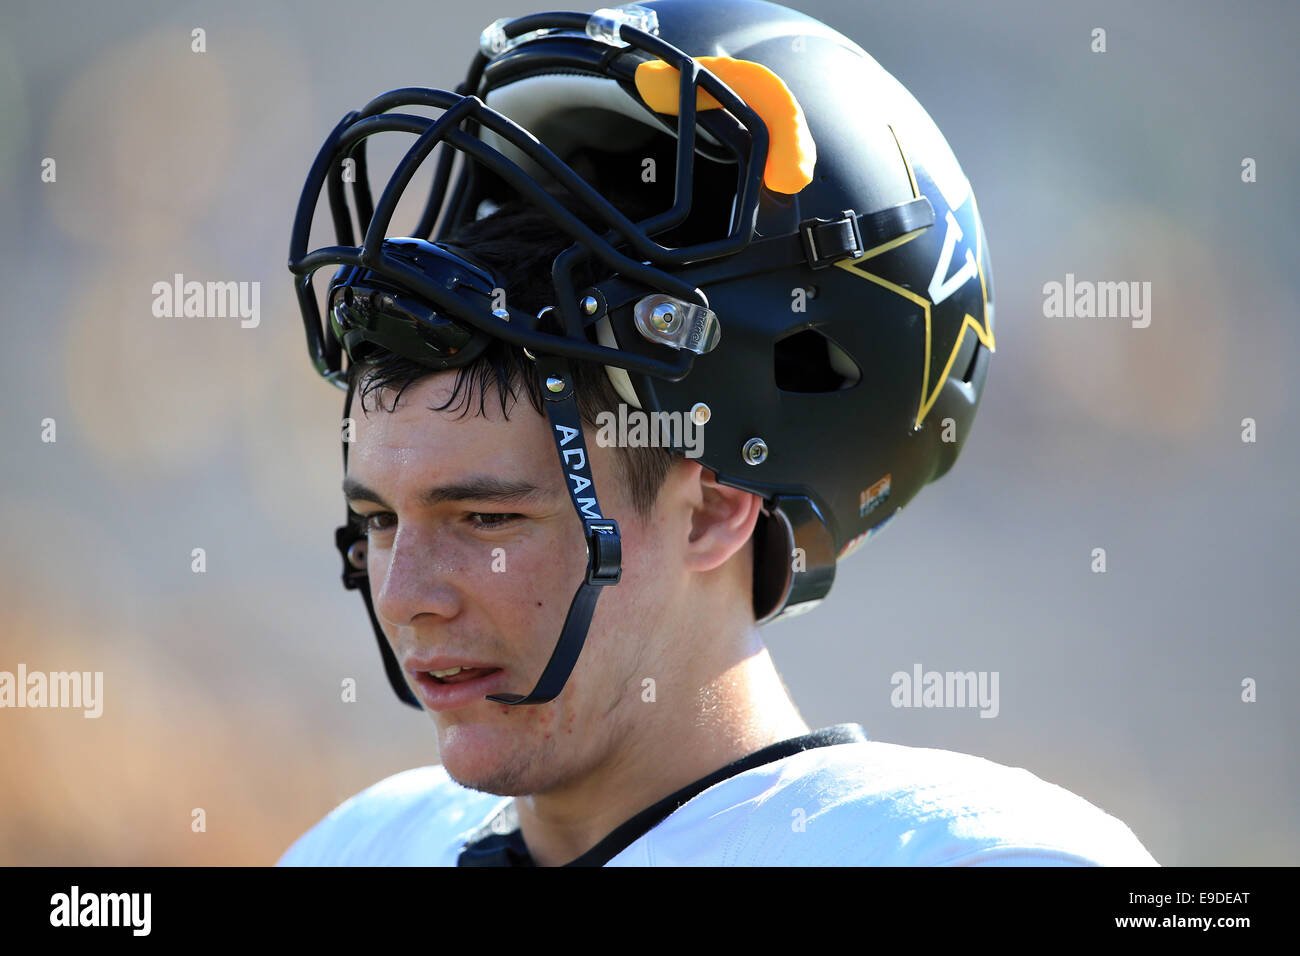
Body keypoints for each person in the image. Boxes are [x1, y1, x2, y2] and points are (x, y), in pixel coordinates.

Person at [278, 0, 1158, 866]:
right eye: (383, 521)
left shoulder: (973, 856)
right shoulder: (355, 848)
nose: (405, 596)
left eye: (487, 520)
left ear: (710, 510)